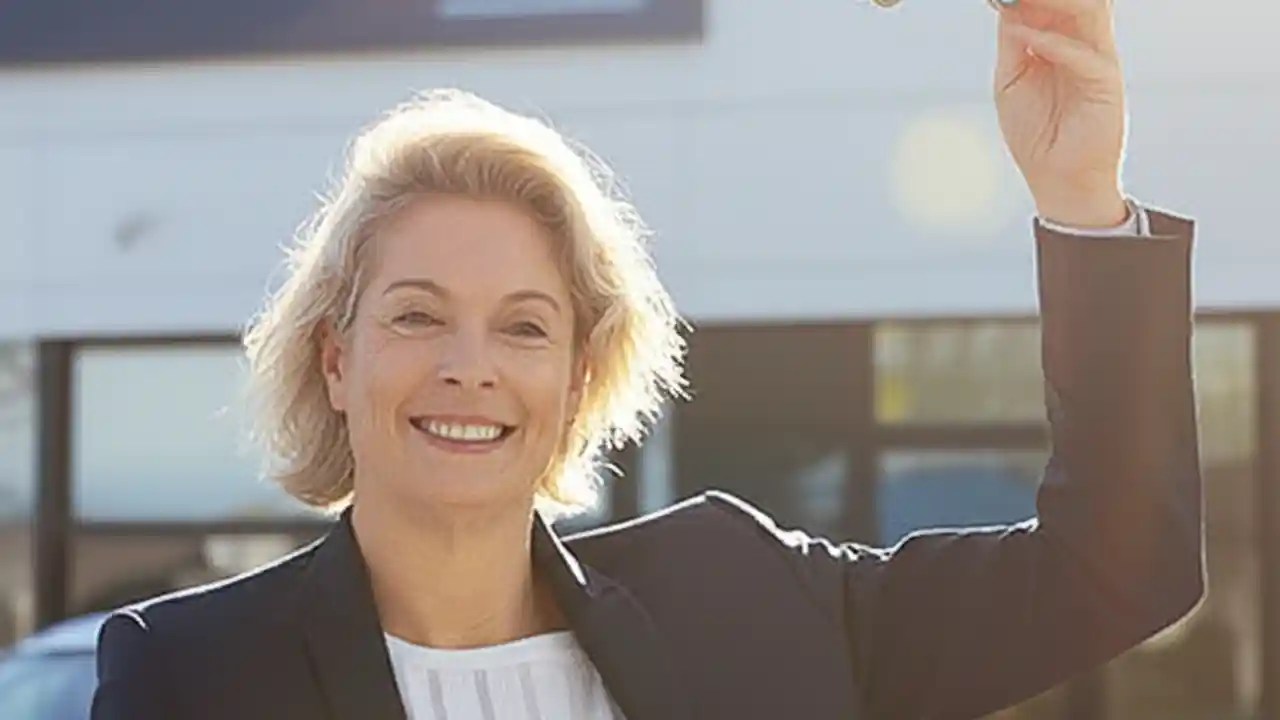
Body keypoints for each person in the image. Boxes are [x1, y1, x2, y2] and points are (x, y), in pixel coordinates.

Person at [91, 1, 1203, 718]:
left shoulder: (743, 596)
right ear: (336, 359)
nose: (470, 366)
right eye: (419, 316)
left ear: (579, 380)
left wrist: (1077, 200)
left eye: (524, 325)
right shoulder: (191, 675)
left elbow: (1117, 568)